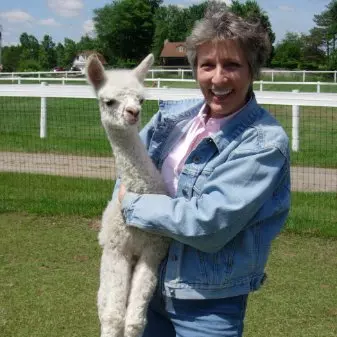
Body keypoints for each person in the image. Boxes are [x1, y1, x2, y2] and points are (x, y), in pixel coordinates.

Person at [116, 2, 291, 336]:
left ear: (252, 70)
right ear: (195, 68)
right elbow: (129, 171)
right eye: (207, 64)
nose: (218, 77)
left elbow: (208, 225)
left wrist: (131, 206)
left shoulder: (264, 143)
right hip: (146, 285)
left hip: (207, 303)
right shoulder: (172, 118)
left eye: (232, 65)